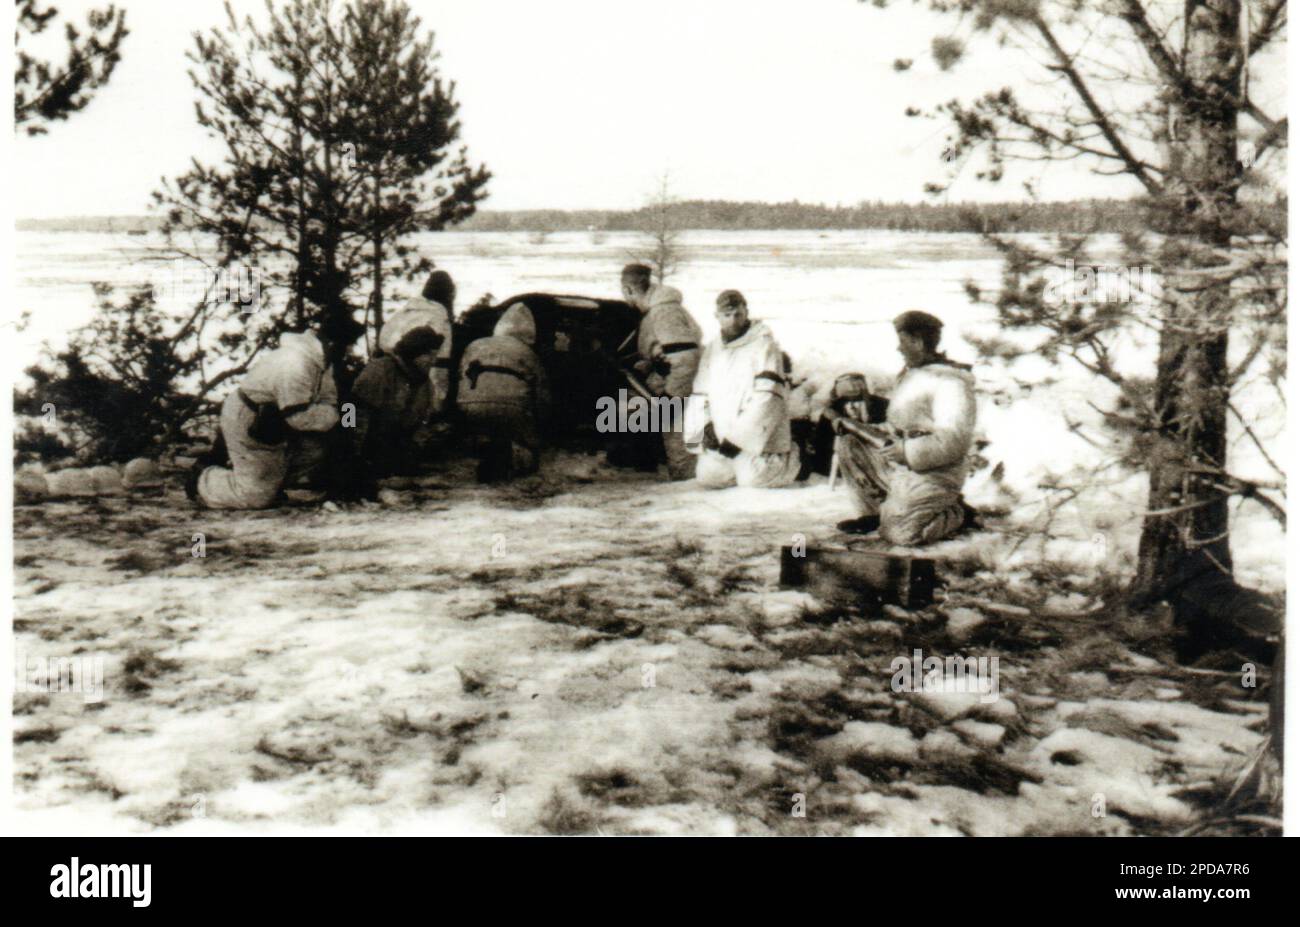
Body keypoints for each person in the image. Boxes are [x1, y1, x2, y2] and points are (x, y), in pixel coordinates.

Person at [834, 309, 977, 545]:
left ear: (918, 343)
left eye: (903, 341)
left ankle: (957, 514)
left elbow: (954, 440)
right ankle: (873, 513)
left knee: (900, 534)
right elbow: (902, 425)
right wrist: (862, 428)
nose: (898, 348)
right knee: (851, 443)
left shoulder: (951, 383)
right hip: (903, 465)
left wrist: (907, 451)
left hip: (934, 472)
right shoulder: (912, 374)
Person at [192, 316, 363, 509]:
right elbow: (299, 418)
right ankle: (202, 479)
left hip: (277, 423)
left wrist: (338, 418)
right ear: (333, 343)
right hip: (252, 420)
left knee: (317, 450)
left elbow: (329, 400)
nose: (351, 350)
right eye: (349, 345)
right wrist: (337, 418)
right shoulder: (296, 363)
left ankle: (265, 480)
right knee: (255, 498)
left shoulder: (323, 362)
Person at [684, 289, 801, 489]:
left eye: (738, 314)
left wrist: (739, 439)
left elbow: (768, 397)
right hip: (723, 436)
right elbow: (699, 393)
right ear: (717, 317)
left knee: (753, 480)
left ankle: (796, 458)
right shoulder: (713, 349)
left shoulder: (763, 344)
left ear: (746, 312)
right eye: (727, 316)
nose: (733, 321)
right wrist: (702, 429)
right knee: (708, 477)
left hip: (756, 439)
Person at [620, 263, 702, 480]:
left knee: (680, 442)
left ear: (628, 289)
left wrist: (672, 398)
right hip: (678, 380)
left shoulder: (663, 312)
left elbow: (685, 357)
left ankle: (686, 491)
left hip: (680, 385)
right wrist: (651, 361)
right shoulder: (662, 310)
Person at [456, 302, 550, 483]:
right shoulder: (527, 352)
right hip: (512, 409)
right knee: (529, 451)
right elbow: (541, 393)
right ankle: (512, 459)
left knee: (485, 432)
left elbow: (461, 377)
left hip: (469, 406)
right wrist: (539, 424)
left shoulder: (476, 345)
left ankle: (482, 449)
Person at [348, 325, 443, 495]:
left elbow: (423, 421)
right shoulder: (380, 370)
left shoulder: (425, 384)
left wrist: (416, 446)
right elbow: (351, 408)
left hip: (396, 445)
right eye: (428, 354)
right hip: (365, 443)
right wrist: (350, 448)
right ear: (414, 353)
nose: (433, 360)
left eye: (435, 354)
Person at [382, 270, 456, 412]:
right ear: (448, 293)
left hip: (391, 367)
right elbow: (439, 355)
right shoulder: (439, 315)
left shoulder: (405, 312)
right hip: (423, 373)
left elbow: (385, 340)